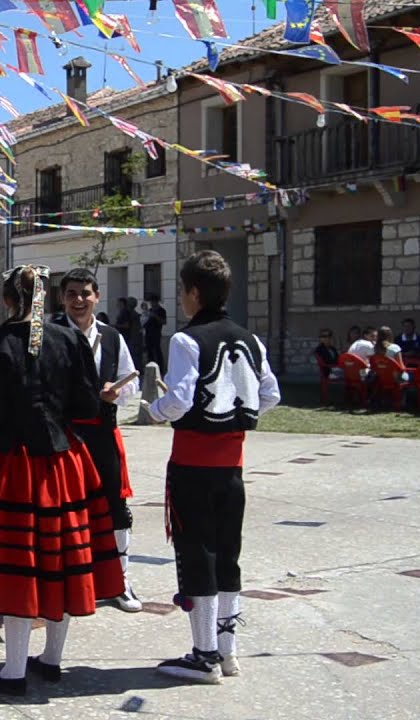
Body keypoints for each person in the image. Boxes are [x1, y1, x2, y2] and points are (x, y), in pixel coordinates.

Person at [0, 265, 124, 696]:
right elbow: (87, 405)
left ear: (8, 299)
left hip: (12, 468)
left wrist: (0, 436)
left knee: (18, 565)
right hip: (64, 464)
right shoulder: (69, 340)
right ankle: (51, 660)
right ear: (45, 298)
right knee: (60, 561)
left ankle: (13, 671)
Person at [142, 250, 280, 684]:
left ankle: (203, 655)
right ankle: (228, 652)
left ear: (194, 293)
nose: (182, 298)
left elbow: (180, 399)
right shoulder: (250, 339)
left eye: (183, 291)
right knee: (228, 555)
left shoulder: (186, 340)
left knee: (196, 554)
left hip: (192, 464)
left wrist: (157, 408)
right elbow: (270, 394)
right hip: (232, 468)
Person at [51, 269, 142, 613]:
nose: (79, 300)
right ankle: (64, 582)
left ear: (97, 296)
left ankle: (121, 581)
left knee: (115, 508)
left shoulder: (113, 337)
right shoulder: (50, 335)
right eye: (72, 294)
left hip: (103, 435)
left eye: (85, 293)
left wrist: (115, 394)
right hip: (66, 437)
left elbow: (130, 381)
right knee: (66, 511)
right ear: (62, 298)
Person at [144, 292, 168, 374]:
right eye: (151, 302)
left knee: (157, 351)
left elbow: (164, 322)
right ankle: (150, 369)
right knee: (149, 351)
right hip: (148, 333)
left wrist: (155, 316)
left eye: (153, 302)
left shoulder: (161, 311)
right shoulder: (150, 310)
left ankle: (161, 369)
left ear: (157, 302)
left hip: (156, 333)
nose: (152, 304)